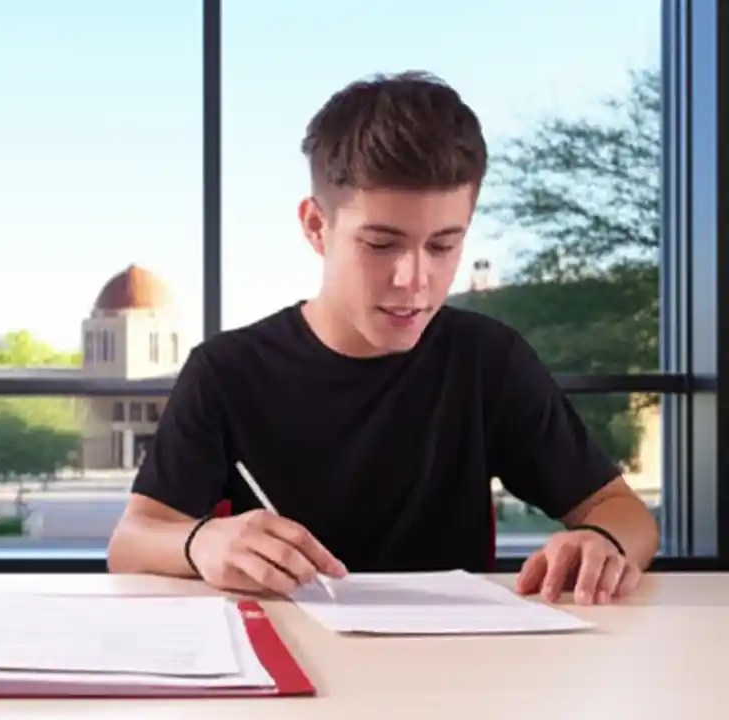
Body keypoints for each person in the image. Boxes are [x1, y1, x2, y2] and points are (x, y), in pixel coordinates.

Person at [105, 71, 659, 606]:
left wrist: (603, 544)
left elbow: (621, 511)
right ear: (316, 226)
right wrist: (200, 541)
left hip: (461, 673)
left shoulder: (489, 361)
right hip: (287, 672)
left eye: (443, 247)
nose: (414, 279)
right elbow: (132, 542)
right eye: (381, 244)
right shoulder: (226, 371)